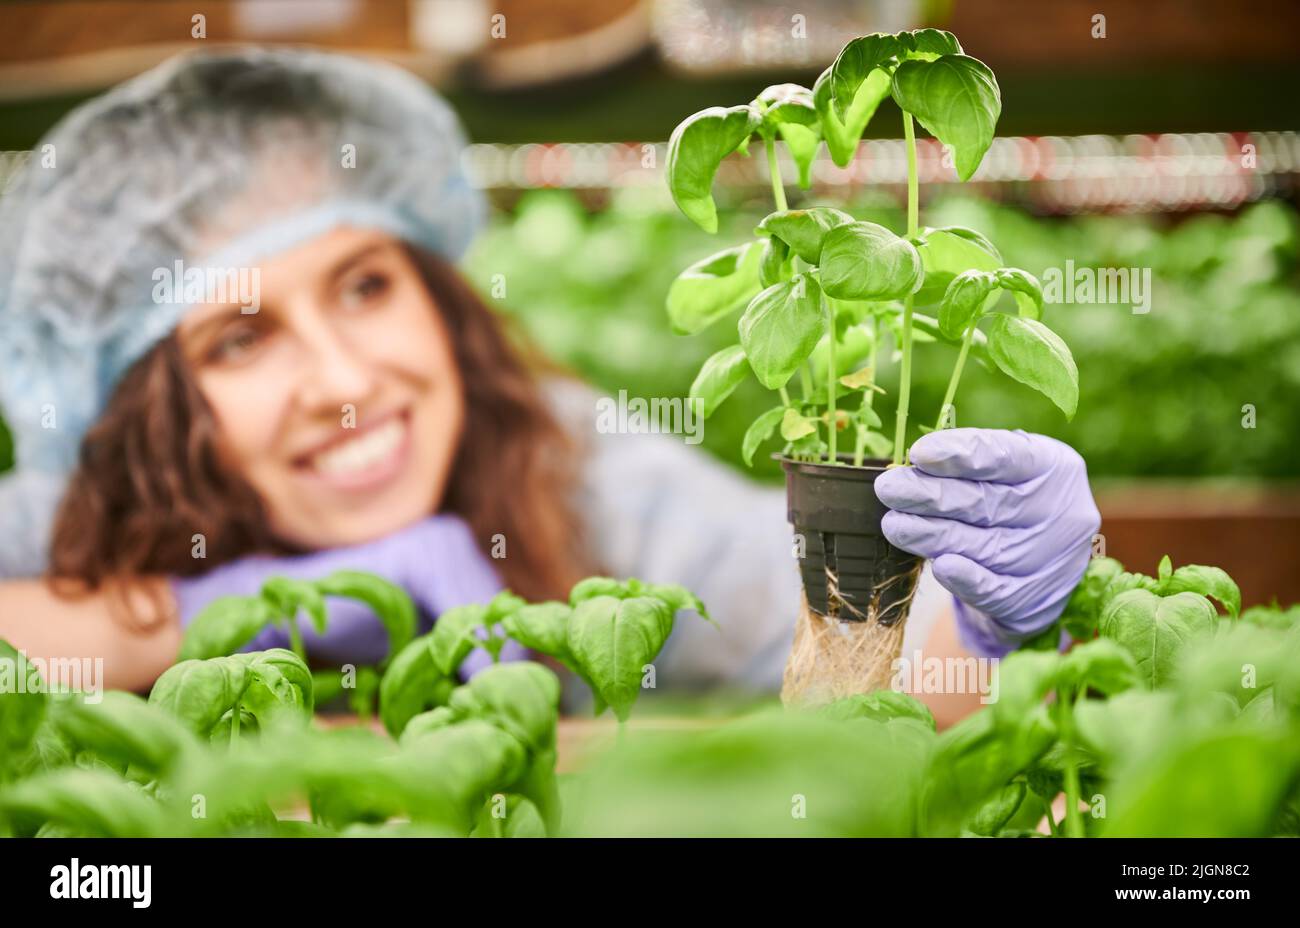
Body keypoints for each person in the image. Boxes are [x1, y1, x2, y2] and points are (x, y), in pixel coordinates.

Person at [0, 48, 1100, 722]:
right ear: (141, 410)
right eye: (239, 340)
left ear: (438, 294)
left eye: (367, 285)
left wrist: (988, 624)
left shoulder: (568, 466)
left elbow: (854, 657)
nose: (343, 381)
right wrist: (196, 612)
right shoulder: (89, 515)